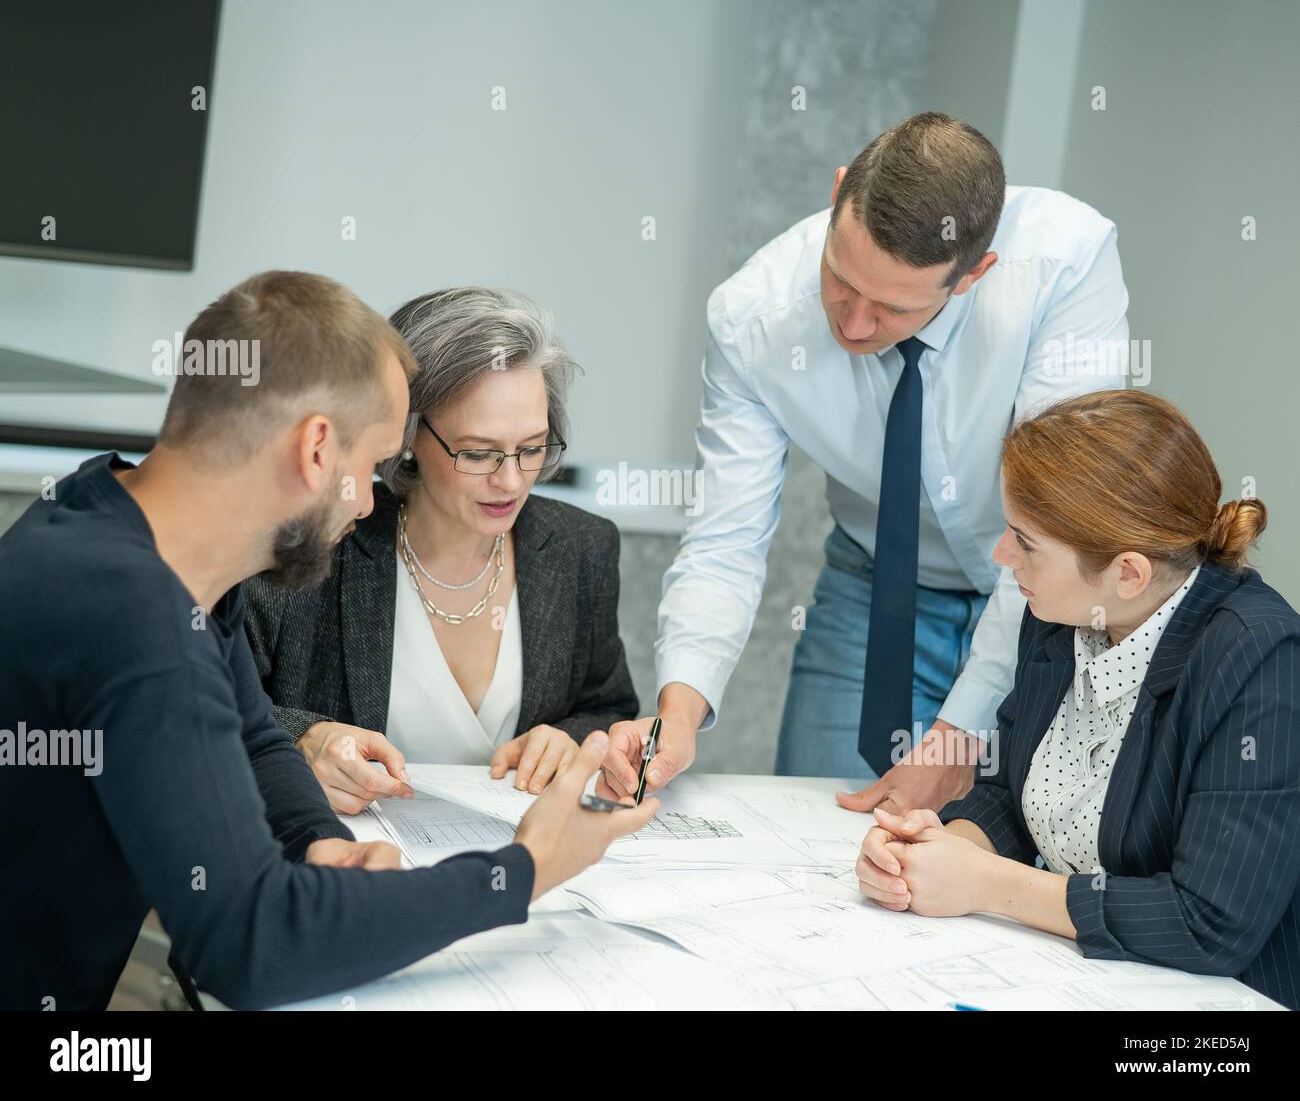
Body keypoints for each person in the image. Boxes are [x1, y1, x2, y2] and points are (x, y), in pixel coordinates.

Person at [0, 271, 656, 1011]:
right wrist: (524, 869)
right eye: (371, 465)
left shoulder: (113, 516)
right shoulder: (138, 623)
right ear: (317, 450)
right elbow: (253, 947)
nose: (375, 497)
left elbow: (253, 735)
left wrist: (319, 841)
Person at [599, 111, 1131, 816]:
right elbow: (724, 543)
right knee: (820, 827)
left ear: (974, 272)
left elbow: (1060, 521)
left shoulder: (1066, 261)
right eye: (840, 282)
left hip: (1049, 589)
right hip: (875, 587)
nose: (852, 326)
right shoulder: (752, 316)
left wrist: (956, 739)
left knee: (1015, 840)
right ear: (840, 190)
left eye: (892, 309)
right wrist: (680, 712)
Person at [855, 389, 1299, 1010]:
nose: (1001, 556)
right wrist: (938, 851)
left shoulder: (1259, 659)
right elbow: (1011, 791)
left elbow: (1209, 922)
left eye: (1024, 542)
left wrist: (988, 886)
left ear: (1127, 573)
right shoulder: (1059, 613)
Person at [244, 287, 638, 813]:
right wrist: (302, 740)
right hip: (344, 865)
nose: (511, 481)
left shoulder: (580, 547)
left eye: (532, 447)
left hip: (523, 865)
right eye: (478, 453)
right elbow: (206, 704)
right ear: (404, 432)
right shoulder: (319, 541)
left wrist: (571, 740)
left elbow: (607, 709)